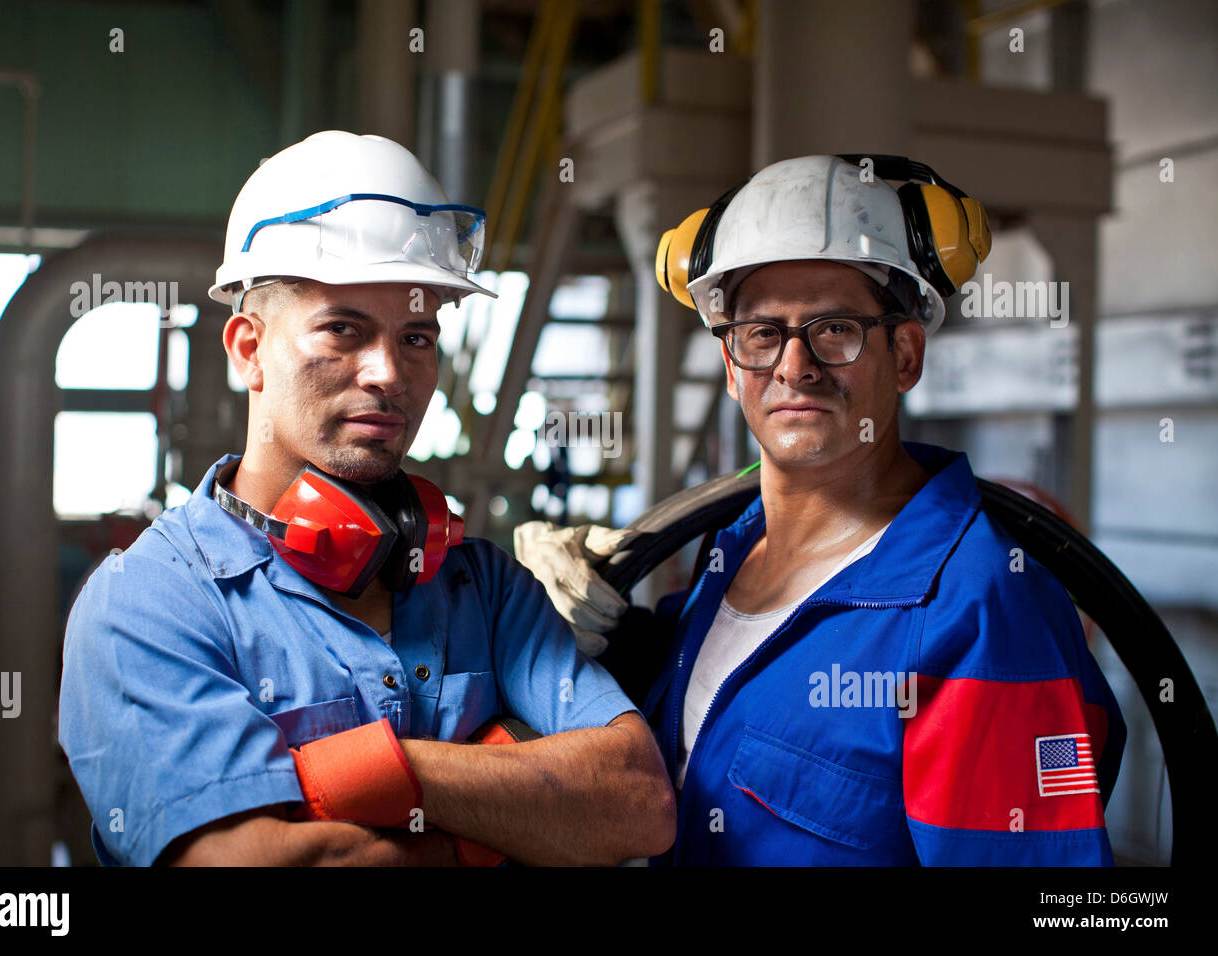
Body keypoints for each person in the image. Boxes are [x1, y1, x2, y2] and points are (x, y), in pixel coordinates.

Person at [58, 131, 675, 867]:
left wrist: (361, 775)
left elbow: (638, 802)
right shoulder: (149, 603)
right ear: (248, 349)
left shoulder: (484, 587)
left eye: (417, 336)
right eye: (342, 329)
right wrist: (500, 814)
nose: (388, 371)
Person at [516, 154, 1126, 865]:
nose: (794, 367)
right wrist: (582, 622)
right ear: (731, 364)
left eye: (835, 329)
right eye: (763, 333)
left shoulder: (982, 612)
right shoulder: (734, 555)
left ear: (905, 353)